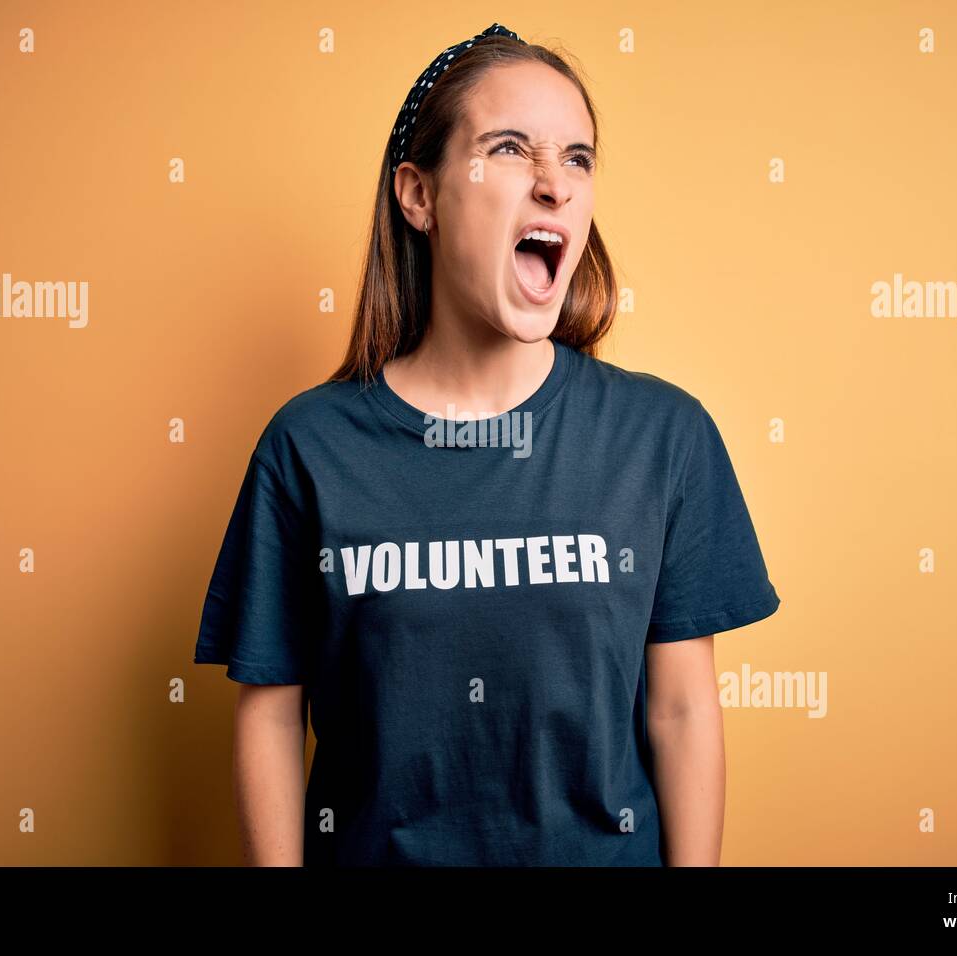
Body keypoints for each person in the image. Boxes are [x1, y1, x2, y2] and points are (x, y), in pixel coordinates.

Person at [193, 23, 781, 866]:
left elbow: (682, 713)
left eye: (577, 159)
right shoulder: (308, 448)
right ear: (418, 195)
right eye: (510, 150)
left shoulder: (664, 438)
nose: (554, 186)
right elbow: (270, 714)